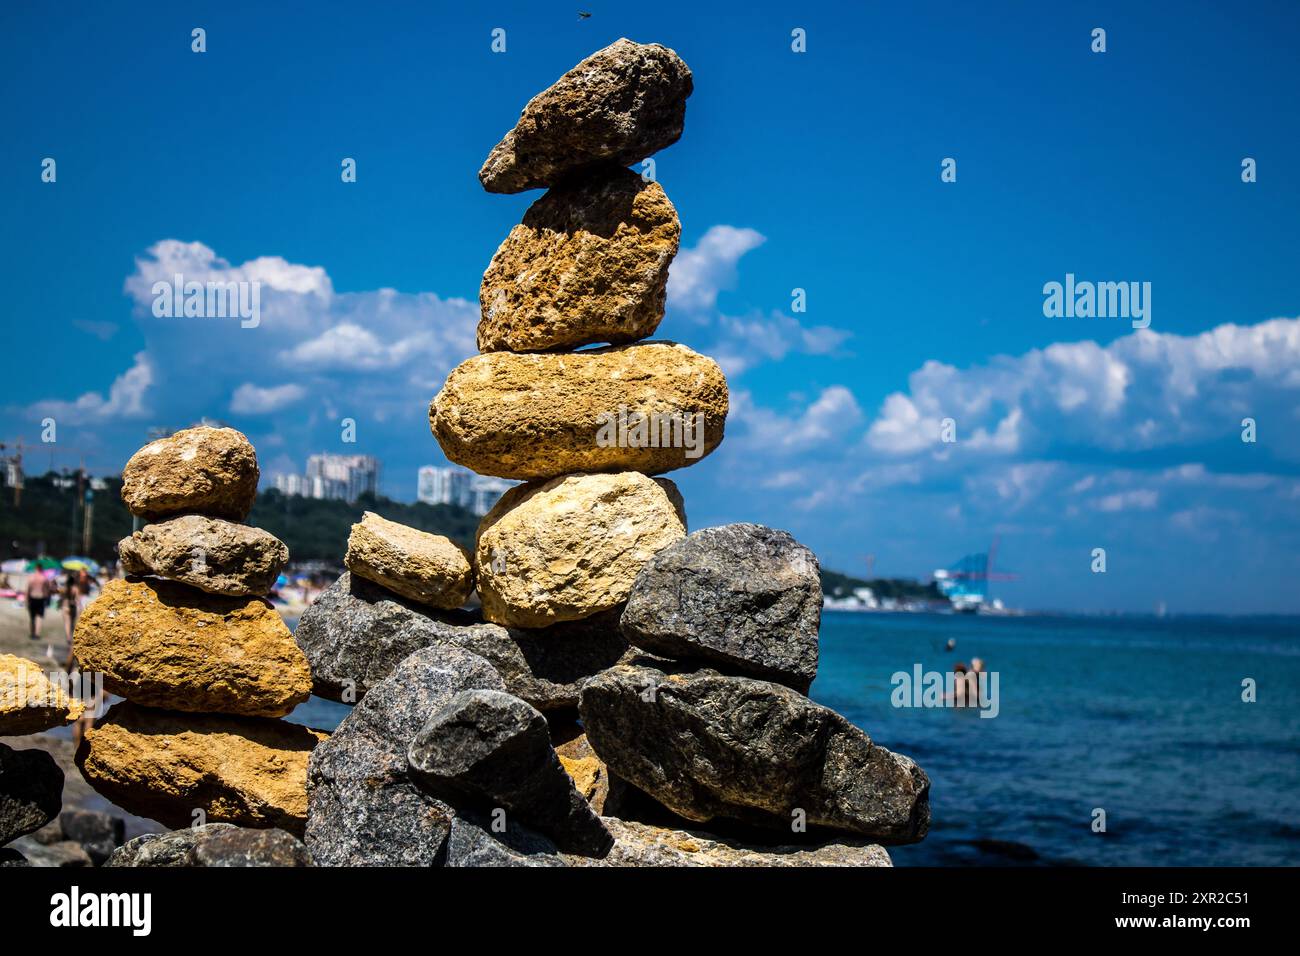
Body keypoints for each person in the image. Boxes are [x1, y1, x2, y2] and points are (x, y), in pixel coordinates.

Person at [25, 570, 50, 640]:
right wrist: (46, 598)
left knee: (32, 617)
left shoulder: (31, 577)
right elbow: (47, 590)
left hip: (32, 598)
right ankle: (37, 634)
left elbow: (27, 590)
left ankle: (32, 633)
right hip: (41, 598)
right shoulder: (44, 578)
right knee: (39, 617)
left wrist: (26, 600)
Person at [61, 573, 79, 642]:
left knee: (66, 623)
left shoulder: (65, 588)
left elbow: (62, 597)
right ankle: (71, 636)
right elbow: (77, 600)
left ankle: (68, 637)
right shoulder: (75, 588)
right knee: (72, 623)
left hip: (65, 606)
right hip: (73, 606)